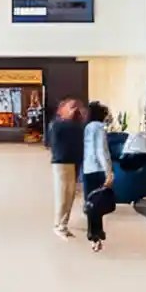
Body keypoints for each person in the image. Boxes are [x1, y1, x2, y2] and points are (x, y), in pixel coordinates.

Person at [46, 98, 85, 240]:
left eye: (76, 107)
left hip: (74, 162)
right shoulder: (57, 124)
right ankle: (58, 225)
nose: (74, 110)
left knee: (70, 195)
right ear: (61, 110)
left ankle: (64, 223)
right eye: (71, 107)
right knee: (62, 194)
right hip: (62, 163)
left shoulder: (76, 125)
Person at [82, 101, 115, 252]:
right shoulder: (99, 128)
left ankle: (93, 235)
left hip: (87, 169)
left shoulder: (87, 128)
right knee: (99, 203)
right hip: (97, 169)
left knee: (91, 203)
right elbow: (101, 151)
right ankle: (96, 235)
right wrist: (108, 171)